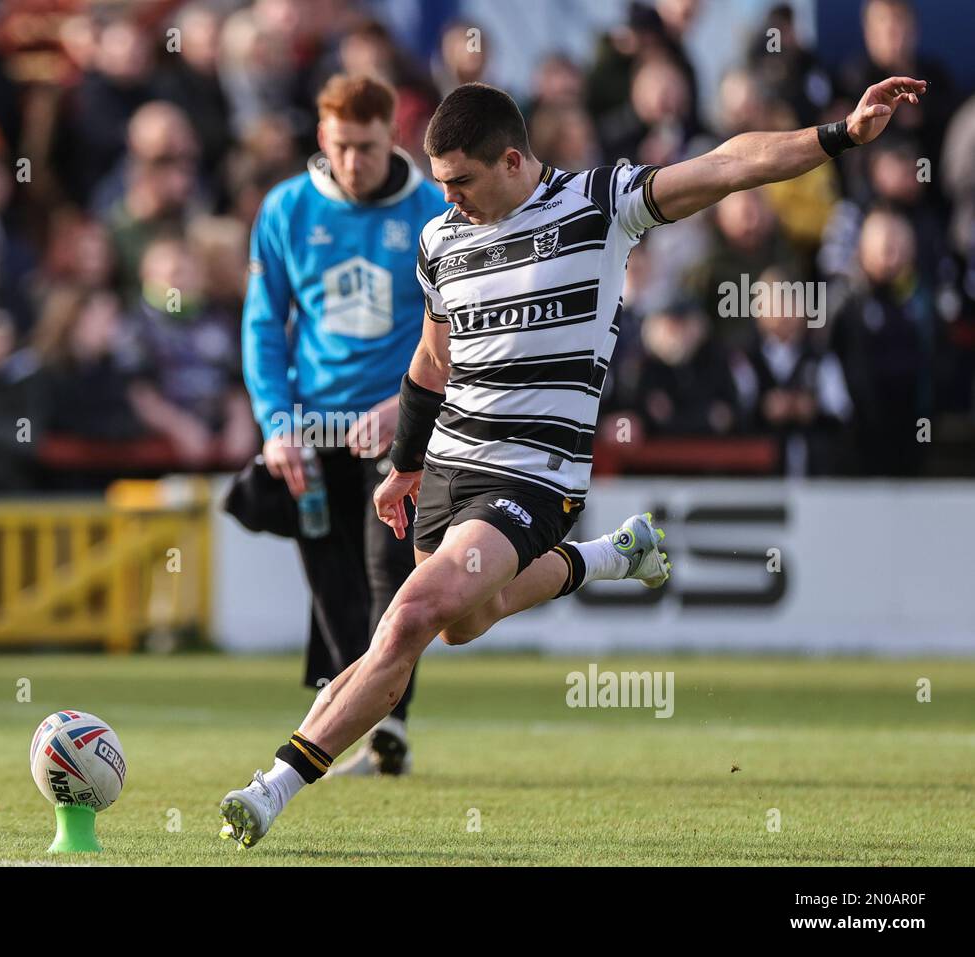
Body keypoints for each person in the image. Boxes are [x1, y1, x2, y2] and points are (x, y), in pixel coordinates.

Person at [219, 74, 928, 847]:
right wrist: (405, 463)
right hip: (450, 460)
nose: (447, 199)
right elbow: (430, 360)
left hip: (533, 475)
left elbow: (729, 164)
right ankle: (611, 556)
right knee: (464, 622)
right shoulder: (441, 239)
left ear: (515, 161)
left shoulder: (600, 204)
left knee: (409, 619)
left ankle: (272, 787)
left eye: (461, 181)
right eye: (439, 183)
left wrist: (841, 136)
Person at [240, 73, 447, 776]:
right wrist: (276, 422)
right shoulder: (287, 209)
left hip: (400, 424)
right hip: (314, 425)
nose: (352, 162)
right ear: (321, 139)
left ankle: (391, 725)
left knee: (392, 576)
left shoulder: (431, 208)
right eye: (339, 147)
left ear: (391, 134)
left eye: (365, 145)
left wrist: (407, 404)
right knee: (332, 582)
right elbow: (264, 323)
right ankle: (358, 718)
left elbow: (451, 327)